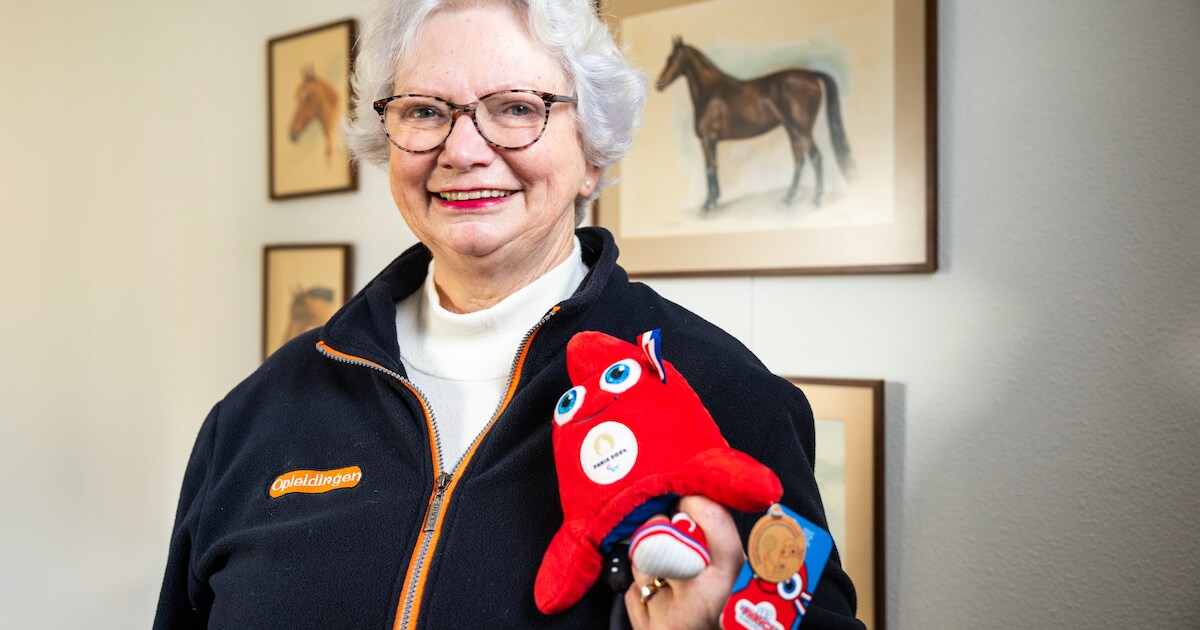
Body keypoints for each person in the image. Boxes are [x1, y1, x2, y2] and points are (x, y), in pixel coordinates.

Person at [153, 0, 864, 627]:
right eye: (425, 111)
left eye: (518, 107)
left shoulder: (726, 394)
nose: (462, 150)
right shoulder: (259, 413)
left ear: (591, 152)